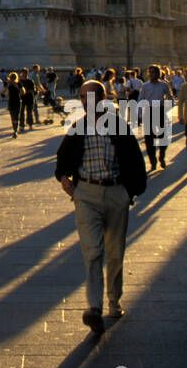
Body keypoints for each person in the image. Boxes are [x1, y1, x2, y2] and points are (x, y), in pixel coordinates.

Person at [55, 80, 147, 336]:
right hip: (86, 193)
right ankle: (94, 308)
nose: (86, 102)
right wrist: (66, 181)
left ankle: (113, 301)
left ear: (103, 99)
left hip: (116, 192)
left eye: (91, 97)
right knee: (93, 251)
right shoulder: (78, 126)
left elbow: (135, 160)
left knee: (115, 251)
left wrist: (130, 191)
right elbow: (62, 158)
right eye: (83, 97)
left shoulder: (118, 126)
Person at [138, 65, 173, 171]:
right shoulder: (145, 86)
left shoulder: (164, 85)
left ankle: (161, 156)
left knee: (163, 137)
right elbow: (141, 100)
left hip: (160, 110)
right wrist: (139, 114)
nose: (152, 74)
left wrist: (167, 107)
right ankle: (153, 161)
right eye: (151, 72)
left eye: (154, 72)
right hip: (149, 111)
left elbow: (170, 97)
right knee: (149, 139)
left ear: (159, 74)